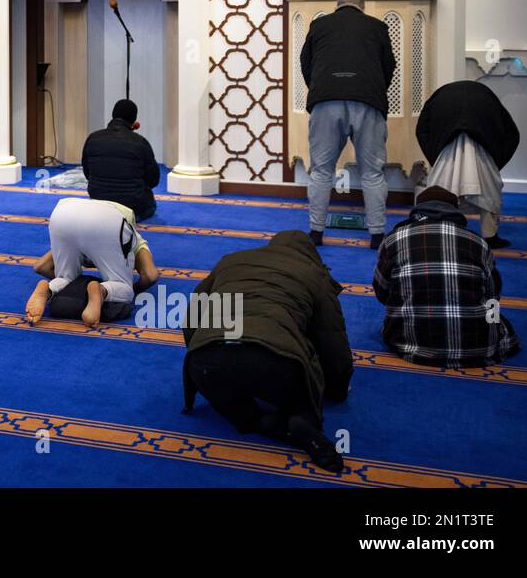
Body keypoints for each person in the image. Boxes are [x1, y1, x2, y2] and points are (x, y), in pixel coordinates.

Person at [182, 230, 353, 473]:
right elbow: (332, 340)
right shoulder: (314, 273)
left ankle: (259, 421)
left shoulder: (231, 259)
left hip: (207, 358)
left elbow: (193, 315)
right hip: (273, 357)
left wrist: (197, 351)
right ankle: (300, 420)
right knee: (300, 401)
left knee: (235, 406)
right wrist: (336, 390)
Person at [373, 186, 519, 367]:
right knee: (500, 321)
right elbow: (493, 297)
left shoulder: (393, 239)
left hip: (410, 344)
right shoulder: (478, 242)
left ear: (417, 208)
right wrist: (494, 326)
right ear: (455, 210)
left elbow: (382, 293)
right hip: (477, 346)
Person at [300, 0, 395, 248]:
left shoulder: (319, 25)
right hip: (368, 102)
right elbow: (390, 66)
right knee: (373, 173)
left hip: (326, 101)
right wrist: (372, 90)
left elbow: (305, 63)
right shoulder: (378, 27)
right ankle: (377, 235)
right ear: (361, 7)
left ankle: (316, 232)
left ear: (338, 6)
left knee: (321, 170)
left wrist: (321, 88)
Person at [25, 196, 159, 327]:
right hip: (108, 221)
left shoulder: (86, 212)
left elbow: (41, 266)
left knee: (66, 277)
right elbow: (150, 275)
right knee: (124, 288)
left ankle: (48, 289)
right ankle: (102, 291)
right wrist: (133, 288)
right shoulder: (133, 237)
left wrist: (71, 283)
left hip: (62, 214)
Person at [416, 80, 519, 249]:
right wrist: (494, 162)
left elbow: (421, 130)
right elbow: (512, 134)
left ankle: (439, 230)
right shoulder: (487, 96)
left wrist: (436, 155)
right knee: (488, 187)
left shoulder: (438, 97)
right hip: (483, 129)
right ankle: (490, 235)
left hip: (446, 129)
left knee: (442, 185)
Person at [81, 98, 159, 220]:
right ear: (134, 120)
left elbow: (87, 172)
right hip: (132, 206)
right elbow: (153, 180)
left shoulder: (93, 138)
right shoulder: (140, 142)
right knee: (149, 203)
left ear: (113, 115)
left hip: (99, 202)